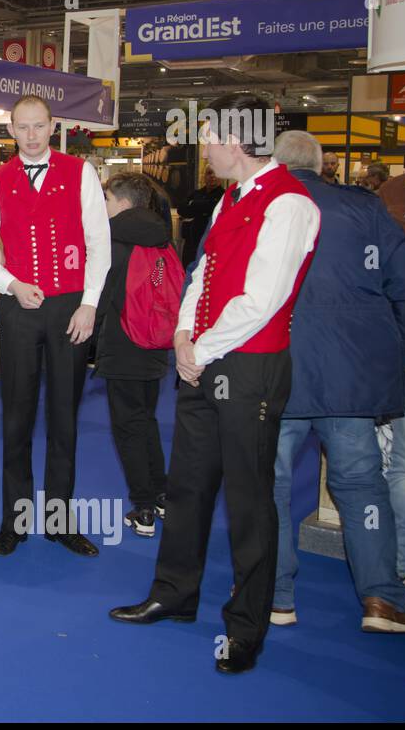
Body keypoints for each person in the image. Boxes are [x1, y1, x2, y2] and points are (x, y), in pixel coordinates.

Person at [110, 93, 320, 675]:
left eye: (210, 136)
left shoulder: (291, 204)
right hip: (203, 360)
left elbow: (263, 298)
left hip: (249, 367)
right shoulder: (231, 197)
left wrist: (197, 348)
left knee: (250, 501)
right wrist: (182, 335)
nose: (204, 147)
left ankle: (247, 627)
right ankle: (174, 593)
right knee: (187, 486)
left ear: (236, 138)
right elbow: (201, 273)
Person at [268, 131, 405, 630]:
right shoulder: (367, 210)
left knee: (267, 482)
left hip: (275, 371)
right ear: (323, 165)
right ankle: (381, 600)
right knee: (360, 486)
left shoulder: (257, 204)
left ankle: (275, 596)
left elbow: (211, 284)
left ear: (275, 161)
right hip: (350, 375)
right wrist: (393, 353)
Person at [0, 95, 111, 558]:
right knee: (16, 415)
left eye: (38, 126)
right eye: (22, 127)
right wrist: (10, 283)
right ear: (11, 130)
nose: (30, 135)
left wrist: (89, 304)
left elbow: (99, 244)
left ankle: (60, 521)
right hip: (18, 308)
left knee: (65, 415)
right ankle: (14, 520)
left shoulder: (80, 172)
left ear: (53, 127)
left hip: (70, 306)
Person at [93, 172, 174, 538]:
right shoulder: (162, 236)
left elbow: (101, 296)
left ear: (123, 202)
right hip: (156, 341)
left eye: (108, 199)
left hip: (123, 344)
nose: (104, 206)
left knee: (127, 428)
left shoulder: (112, 240)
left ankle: (142, 506)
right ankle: (162, 495)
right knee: (146, 421)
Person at [178, 166, 222, 267]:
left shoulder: (223, 195)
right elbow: (181, 209)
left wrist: (193, 204)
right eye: (209, 173)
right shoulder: (196, 193)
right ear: (204, 176)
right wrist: (202, 208)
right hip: (190, 244)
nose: (212, 176)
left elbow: (212, 207)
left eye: (216, 173)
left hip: (210, 244)